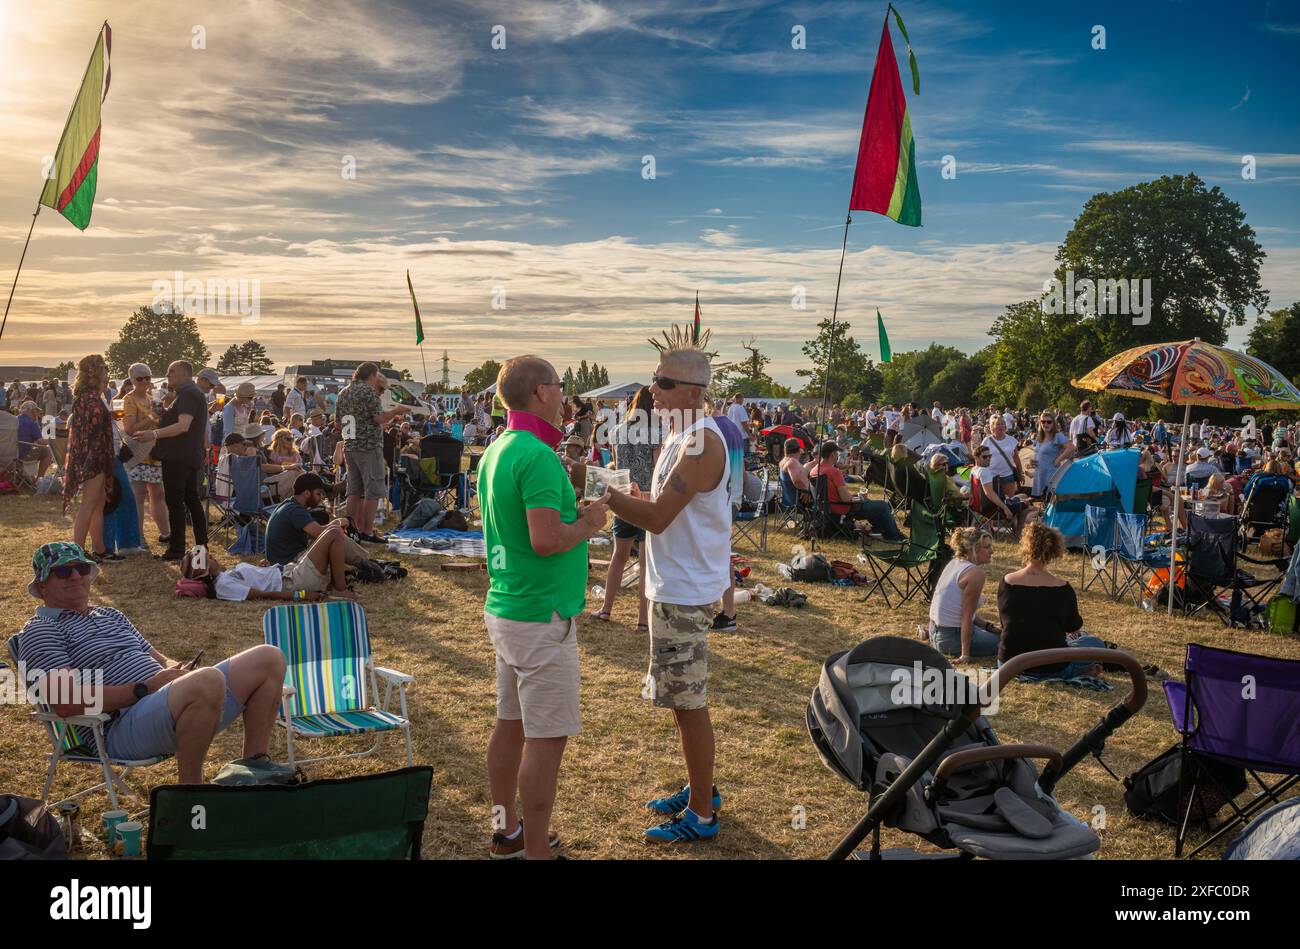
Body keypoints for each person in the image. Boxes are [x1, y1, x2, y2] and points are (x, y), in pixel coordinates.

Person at [17, 542, 291, 784]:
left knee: (269, 658)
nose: (76, 576)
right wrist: (144, 688)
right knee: (208, 680)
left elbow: (160, 659)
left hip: (164, 702)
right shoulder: (42, 630)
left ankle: (254, 771)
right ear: (42, 586)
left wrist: (178, 671)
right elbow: (68, 703)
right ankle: (190, 795)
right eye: (63, 571)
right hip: (118, 726)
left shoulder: (109, 615)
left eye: (82, 568)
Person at [479, 356, 610, 860]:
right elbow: (545, 540)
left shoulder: (499, 449)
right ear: (540, 393)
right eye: (560, 386)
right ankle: (533, 850)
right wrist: (588, 525)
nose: (565, 395)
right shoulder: (535, 454)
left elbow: (519, 525)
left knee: (510, 725)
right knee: (546, 740)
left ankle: (506, 829)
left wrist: (569, 517)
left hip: (511, 606)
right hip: (540, 614)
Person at [604, 339, 733, 844]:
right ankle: (701, 787)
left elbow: (657, 519)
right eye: (653, 380)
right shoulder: (681, 439)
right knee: (681, 701)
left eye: (661, 383)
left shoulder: (701, 442)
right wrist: (630, 495)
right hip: (675, 583)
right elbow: (660, 506)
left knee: (688, 701)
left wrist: (603, 494)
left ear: (693, 391)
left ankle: (702, 813)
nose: (650, 391)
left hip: (684, 588)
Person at [997, 523, 1107, 680]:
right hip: (1051, 666)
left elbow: (1005, 622)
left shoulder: (1007, 581)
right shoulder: (1062, 587)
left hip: (1008, 664)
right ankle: (1079, 671)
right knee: (1095, 643)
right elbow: (1073, 626)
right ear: (1054, 551)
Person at [593, 386, 659, 630]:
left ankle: (606, 608)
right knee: (644, 563)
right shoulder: (657, 433)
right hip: (646, 499)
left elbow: (615, 462)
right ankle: (642, 619)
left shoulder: (619, 431)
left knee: (618, 557)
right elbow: (657, 467)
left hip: (622, 497)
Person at [135, 361, 209, 561]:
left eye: (172, 371)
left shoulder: (188, 394)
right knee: (191, 500)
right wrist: (164, 409)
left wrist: (154, 434)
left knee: (176, 502)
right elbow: (177, 421)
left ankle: (177, 549)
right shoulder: (188, 394)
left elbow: (183, 426)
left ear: (185, 374)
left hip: (178, 456)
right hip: (188, 454)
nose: (167, 375)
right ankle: (201, 544)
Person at [335, 362, 408, 544]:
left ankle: (353, 531)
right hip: (368, 446)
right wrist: (396, 411)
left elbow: (338, 423)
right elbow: (379, 418)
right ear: (372, 375)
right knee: (373, 490)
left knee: (354, 490)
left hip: (350, 446)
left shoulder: (343, 393)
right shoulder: (368, 391)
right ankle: (367, 531)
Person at [62, 355, 115, 562]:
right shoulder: (90, 400)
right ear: (96, 372)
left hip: (94, 457)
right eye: (104, 369)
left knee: (98, 503)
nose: (107, 372)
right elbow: (90, 436)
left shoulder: (91, 396)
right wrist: (93, 460)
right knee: (89, 504)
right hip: (93, 458)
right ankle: (78, 551)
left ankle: (100, 550)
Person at [807, 441, 905, 541]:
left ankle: (881, 531)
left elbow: (837, 495)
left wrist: (856, 496)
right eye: (837, 454)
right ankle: (895, 536)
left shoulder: (814, 470)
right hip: (841, 508)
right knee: (883, 506)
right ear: (832, 454)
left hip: (826, 508)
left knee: (871, 504)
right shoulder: (833, 471)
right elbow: (846, 499)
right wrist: (859, 497)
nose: (838, 456)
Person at [928, 528, 1000, 661]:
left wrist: (988, 626)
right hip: (951, 640)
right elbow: (965, 616)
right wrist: (965, 655)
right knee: (1007, 641)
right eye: (987, 547)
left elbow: (958, 610)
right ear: (973, 549)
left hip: (935, 632)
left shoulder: (954, 563)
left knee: (998, 633)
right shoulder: (975, 574)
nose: (992, 551)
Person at [119, 365, 169, 546]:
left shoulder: (151, 399)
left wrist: (162, 414)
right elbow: (130, 429)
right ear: (131, 380)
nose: (145, 382)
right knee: (138, 495)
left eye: (148, 377)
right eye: (140, 378)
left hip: (154, 453)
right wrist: (152, 416)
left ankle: (165, 533)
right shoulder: (129, 400)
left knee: (158, 494)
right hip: (137, 454)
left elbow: (157, 425)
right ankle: (138, 537)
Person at [970, 444, 1031, 537]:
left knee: (1023, 496)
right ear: (976, 458)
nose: (988, 459)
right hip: (992, 509)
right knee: (1026, 504)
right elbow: (989, 493)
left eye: (989, 456)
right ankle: (1019, 533)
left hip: (979, 508)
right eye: (985, 457)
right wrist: (1005, 508)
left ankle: (1015, 530)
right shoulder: (984, 471)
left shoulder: (974, 470)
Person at [1031, 410, 1074, 498]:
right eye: (1043, 421)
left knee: (1049, 503)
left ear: (1053, 423)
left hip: (1050, 476)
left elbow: (1072, 447)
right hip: (1039, 475)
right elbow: (1038, 453)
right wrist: (1032, 461)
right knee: (1041, 504)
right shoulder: (1039, 437)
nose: (1046, 424)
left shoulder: (1057, 436)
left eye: (1049, 422)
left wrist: (1058, 459)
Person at [16, 400, 55, 477]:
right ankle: (39, 478)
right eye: (36, 411)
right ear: (33, 411)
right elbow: (40, 442)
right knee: (47, 452)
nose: (37, 414)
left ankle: (27, 477)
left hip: (10, 455)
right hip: (24, 455)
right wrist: (50, 440)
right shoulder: (31, 423)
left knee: (33, 447)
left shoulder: (14, 419)